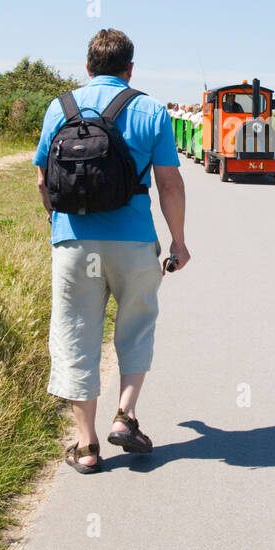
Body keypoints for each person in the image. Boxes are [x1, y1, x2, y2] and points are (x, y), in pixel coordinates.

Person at [34, 29, 190, 472]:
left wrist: (57, 222)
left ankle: (85, 446)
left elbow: (43, 180)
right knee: (137, 326)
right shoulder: (151, 109)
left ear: (87, 67)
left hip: (73, 241)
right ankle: (126, 415)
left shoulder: (58, 108)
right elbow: (170, 184)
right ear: (130, 68)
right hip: (134, 240)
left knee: (75, 335)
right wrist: (178, 241)